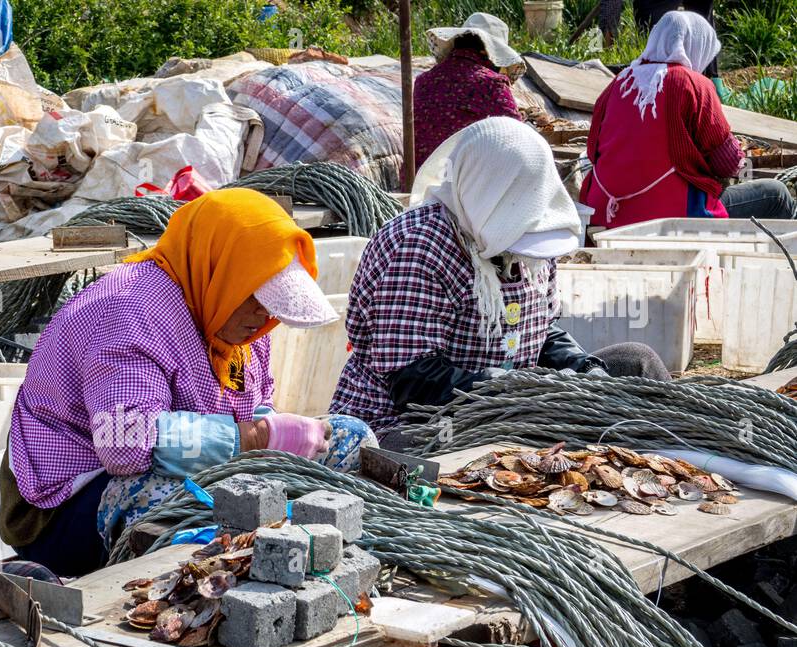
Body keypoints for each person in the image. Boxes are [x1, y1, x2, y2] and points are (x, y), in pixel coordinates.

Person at [0, 189, 378, 577]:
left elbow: (250, 403)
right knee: (196, 509)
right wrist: (258, 437)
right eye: (256, 297)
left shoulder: (236, 318)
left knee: (349, 436)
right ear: (222, 271)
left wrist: (275, 426)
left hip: (181, 466)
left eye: (272, 302)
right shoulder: (131, 312)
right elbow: (125, 445)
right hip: (66, 506)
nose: (263, 316)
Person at [330, 117, 670, 449]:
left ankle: (673, 453)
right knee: (426, 457)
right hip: (418, 421)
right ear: (485, 196)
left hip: (512, 406)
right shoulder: (420, 247)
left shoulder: (534, 240)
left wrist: (582, 368)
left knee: (636, 361)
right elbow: (412, 381)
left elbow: (541, 329)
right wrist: (515, 390)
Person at [582, 12, 796, 230]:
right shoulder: (693, 84)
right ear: (694, 46)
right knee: (776, 194)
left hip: (604, 213)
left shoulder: (618, 83)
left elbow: (593, 151)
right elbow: (728, 164)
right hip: (669, 216)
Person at [414, 13, 524, 171]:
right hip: (461, 182)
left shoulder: (423, 81)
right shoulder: (491, 83)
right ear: (487, 53)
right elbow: (518, 135)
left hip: (418, 178)